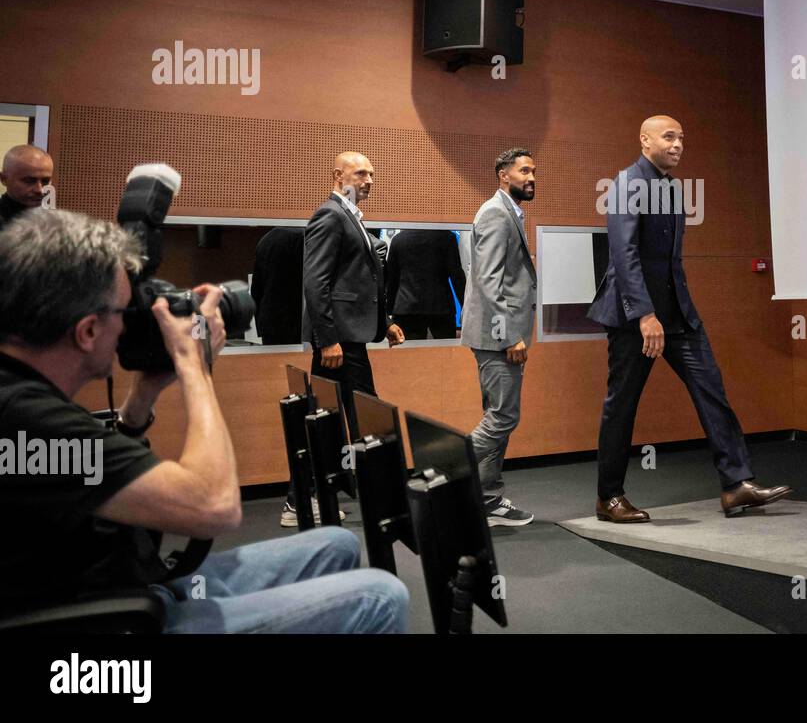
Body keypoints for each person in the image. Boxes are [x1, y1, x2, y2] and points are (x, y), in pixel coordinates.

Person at [0, 208, 408, 632]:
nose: (129, 328)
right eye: (123, 313)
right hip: (120, 618)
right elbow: (213, 505)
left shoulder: (23, 398)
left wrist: (142, 397)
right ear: (86, 332)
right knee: (380, 595)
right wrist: (195, 367)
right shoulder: (24, 419)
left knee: (336, 544)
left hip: (132, 583)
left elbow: (84, 473)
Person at [588, 116, 792, 522]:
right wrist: (645, 313)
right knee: (622, 405)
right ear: (645, 140)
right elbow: (623, 255)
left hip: (678, 315)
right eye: (669, 137)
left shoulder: (673, 188)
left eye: (682, 137)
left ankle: (736, 486)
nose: (679, 144)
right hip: (635, 318)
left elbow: (670, 261)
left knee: (710, 389)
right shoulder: (628, 183)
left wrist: (672, 311)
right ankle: (608, 498)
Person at [294, 152, 404, 527]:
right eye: (360, 174)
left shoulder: (350, 217)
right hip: (338, 341)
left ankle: (304, 499)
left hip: (349, 337)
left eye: (372, 174)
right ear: (338, 175)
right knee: (365, 415)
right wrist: (327, 340)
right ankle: (380, 495)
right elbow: (316, 282)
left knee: (330, 417)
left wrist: (384, 322)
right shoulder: (330, 215)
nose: (369, 180)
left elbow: (359, 281)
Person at [460, 148, 537, 526]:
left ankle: (488, 499)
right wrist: (509, 335)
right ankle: (444, 474)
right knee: (503, 418)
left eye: (534, 170)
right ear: (503, 175)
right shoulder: (495, 212)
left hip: (498, 334)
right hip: (496, 337)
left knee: (497, 415)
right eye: (524, 170)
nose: (532, 177)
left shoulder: (509, 211)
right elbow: (488, 280)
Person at [386, 229, 466, 339]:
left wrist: (388, 312)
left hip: (407, 307)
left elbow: (392, 278)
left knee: (409, 354)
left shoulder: (398, 239)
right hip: (441, 306)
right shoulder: (447, 237)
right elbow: (456, 275)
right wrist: (465, 304)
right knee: (446, 353)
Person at [0, 144, 53, 228]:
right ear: (3, 179)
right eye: (29, 181)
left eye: (45, 181)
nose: (40, 190)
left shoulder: (54, 223)